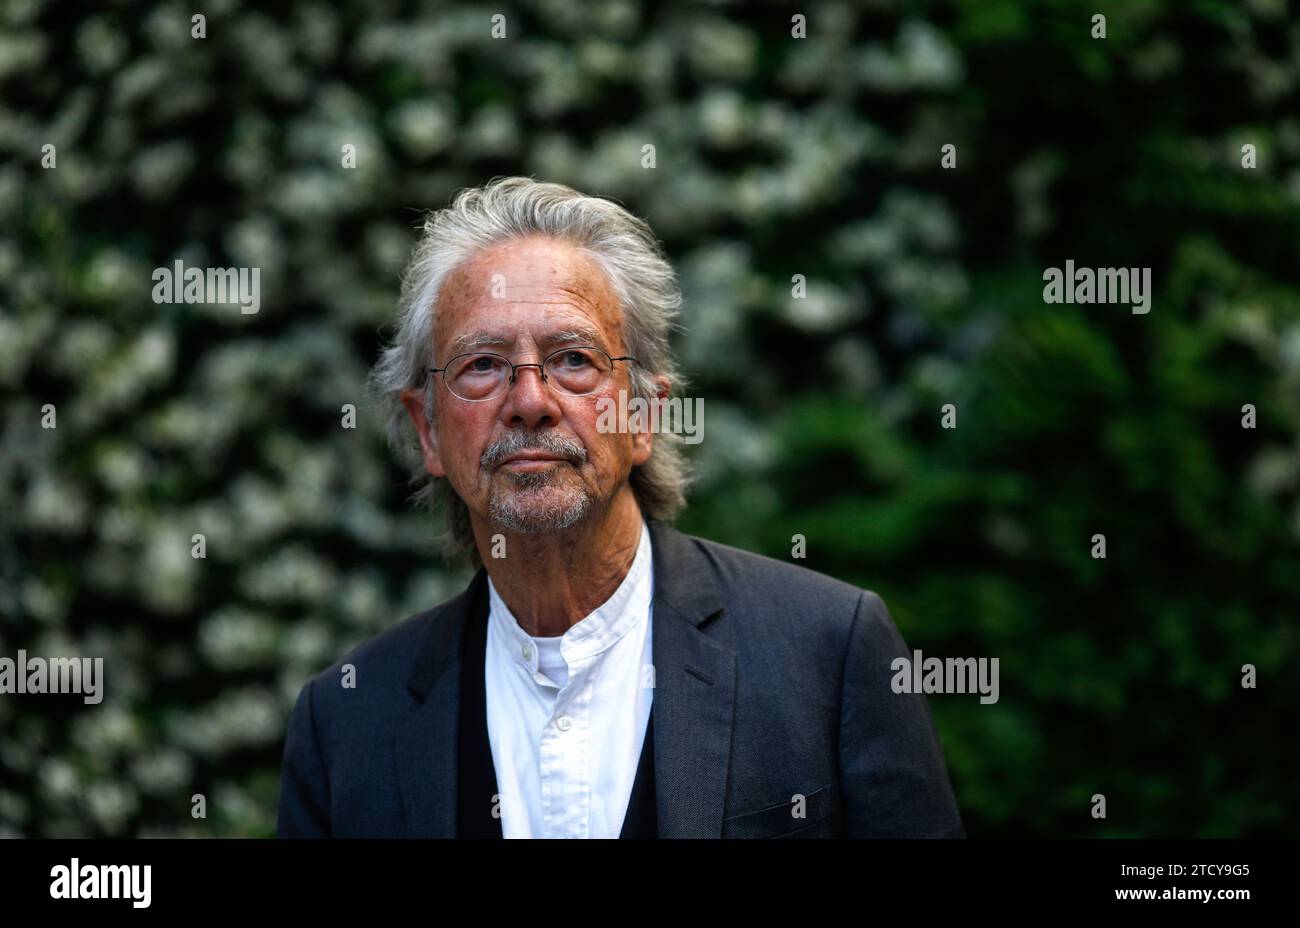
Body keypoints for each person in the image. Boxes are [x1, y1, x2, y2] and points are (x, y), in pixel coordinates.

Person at [276, 176, 963, 838]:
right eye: (481, 365)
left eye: (573, 358)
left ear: (641, 414)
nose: (530, 400)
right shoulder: (345, 723)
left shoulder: (829, 654)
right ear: (428, 429)